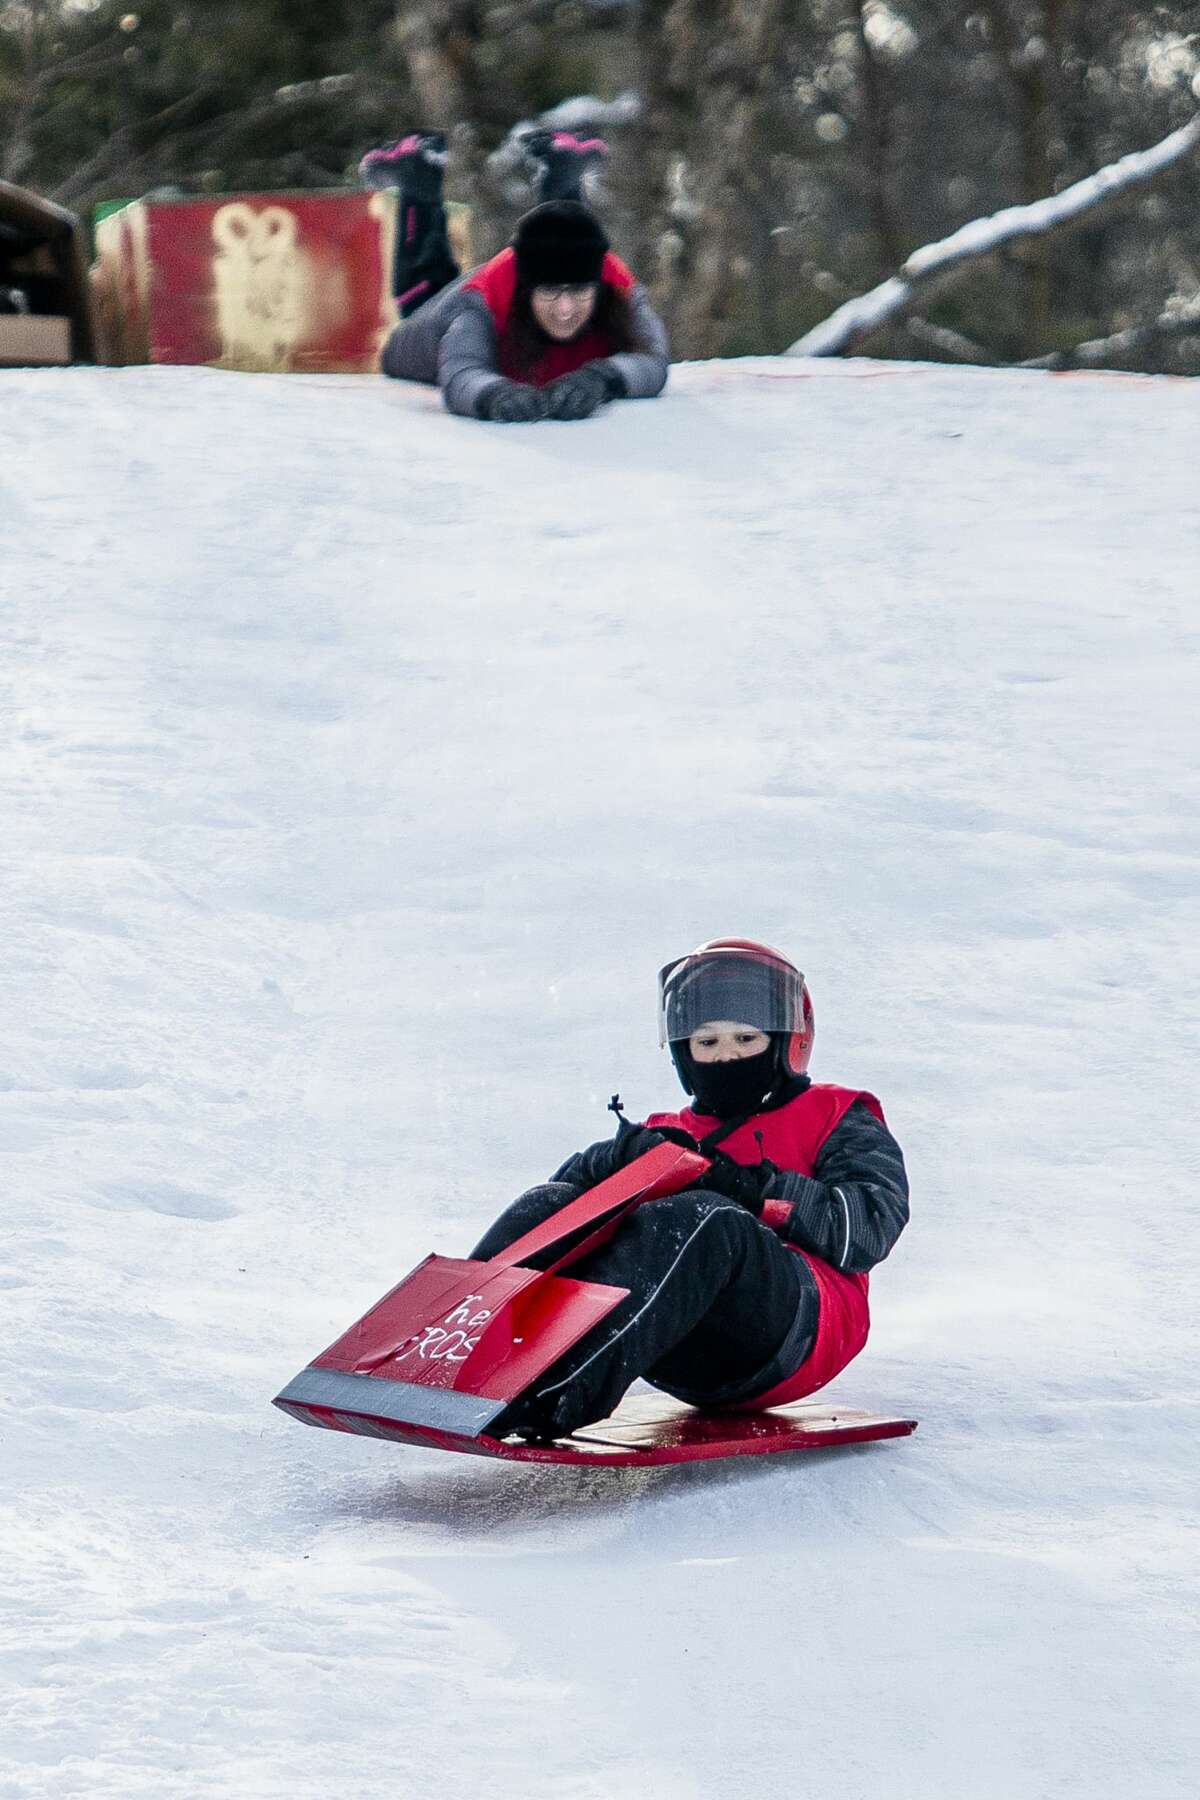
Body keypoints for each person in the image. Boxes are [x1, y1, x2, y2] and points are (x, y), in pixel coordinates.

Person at [473, 938, 910, 1441]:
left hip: (795, 1333)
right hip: (670, 1338)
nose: (727, 1058)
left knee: (705, 1217)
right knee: (549, 1205)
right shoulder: (670, 1130)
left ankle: (548, 1397)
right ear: (684, 1054)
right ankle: (454, 1358)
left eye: (747, 1041)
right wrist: (617, 1159)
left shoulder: (836, 1114)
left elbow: (870, 1227)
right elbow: (565, 1224)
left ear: (786, 1041)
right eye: (708, 1044)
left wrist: (754, 1191)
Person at [360, 128, 669, 421]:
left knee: (563, 239)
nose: (565, 309)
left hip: (532, 270)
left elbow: (653, 360)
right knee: (422, 289)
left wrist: (604, 378)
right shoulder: (482, 304)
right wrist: (493, 394)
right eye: (550, 292)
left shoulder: (619, 286)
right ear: (526, 289)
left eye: (578, 292)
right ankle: (418, 180)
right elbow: (461, 372)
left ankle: (562, 175)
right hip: (435, 325)